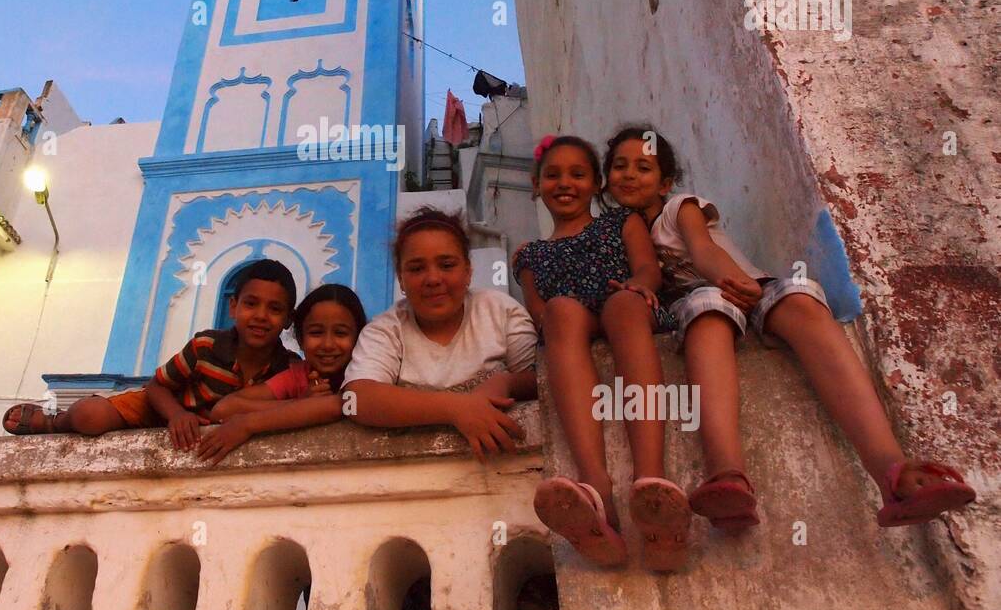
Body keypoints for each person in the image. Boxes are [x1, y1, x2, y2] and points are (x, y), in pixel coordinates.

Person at [603, 125, 976, 530]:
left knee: (800, 295)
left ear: (665, 183)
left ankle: (893, 471)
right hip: (701, 305)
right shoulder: (618, 234)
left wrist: (733, 280)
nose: (628, 174)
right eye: (619, 166)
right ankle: (728, 476)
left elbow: (702, 248)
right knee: (705, 309)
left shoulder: (679, 208)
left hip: (744, 284)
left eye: (643, 167)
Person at [515, 134, 689, 572]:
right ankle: (596, 488)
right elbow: (539, 314)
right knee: (561, 311)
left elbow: (647, 267)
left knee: (624, 305)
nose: (564, 183)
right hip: (575, 321)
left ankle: (651, 481)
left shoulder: (621, 222)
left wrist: (641, 286)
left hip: (625, 305)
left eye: (578, 174)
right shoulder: (530, 255)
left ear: (596, 184)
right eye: (552, 175)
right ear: (536, 185)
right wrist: (552, 316)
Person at [1, 259, 298, 448]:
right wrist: (177, 416)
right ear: (233, 307)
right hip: (164, 407)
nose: (261, 316)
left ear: (288, 319)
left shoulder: (289, 369)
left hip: (206, 427)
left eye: (274, 309)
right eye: (251, 304)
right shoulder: (207, 346)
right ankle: (53, 421)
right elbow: (158, 386)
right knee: (89, 416)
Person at [341, 206, 538, 461]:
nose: (433, 279)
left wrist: (506, 382)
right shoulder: (386, 330)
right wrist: (455, 408)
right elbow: (356, 399)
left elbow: (541, 379)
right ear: (400, 278)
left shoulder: (500, 311)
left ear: (468, 271)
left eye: (446, 265)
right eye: (416, 268)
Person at [196, 283, 367, 465]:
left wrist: (249, 424)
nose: (327, 344)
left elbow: (346, 405)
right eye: (316, 333)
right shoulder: (297, 376)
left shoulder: (364, 373)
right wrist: (300, 403)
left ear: (359, 338)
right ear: (300, 340)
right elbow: (223, 409)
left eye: (341, 333)